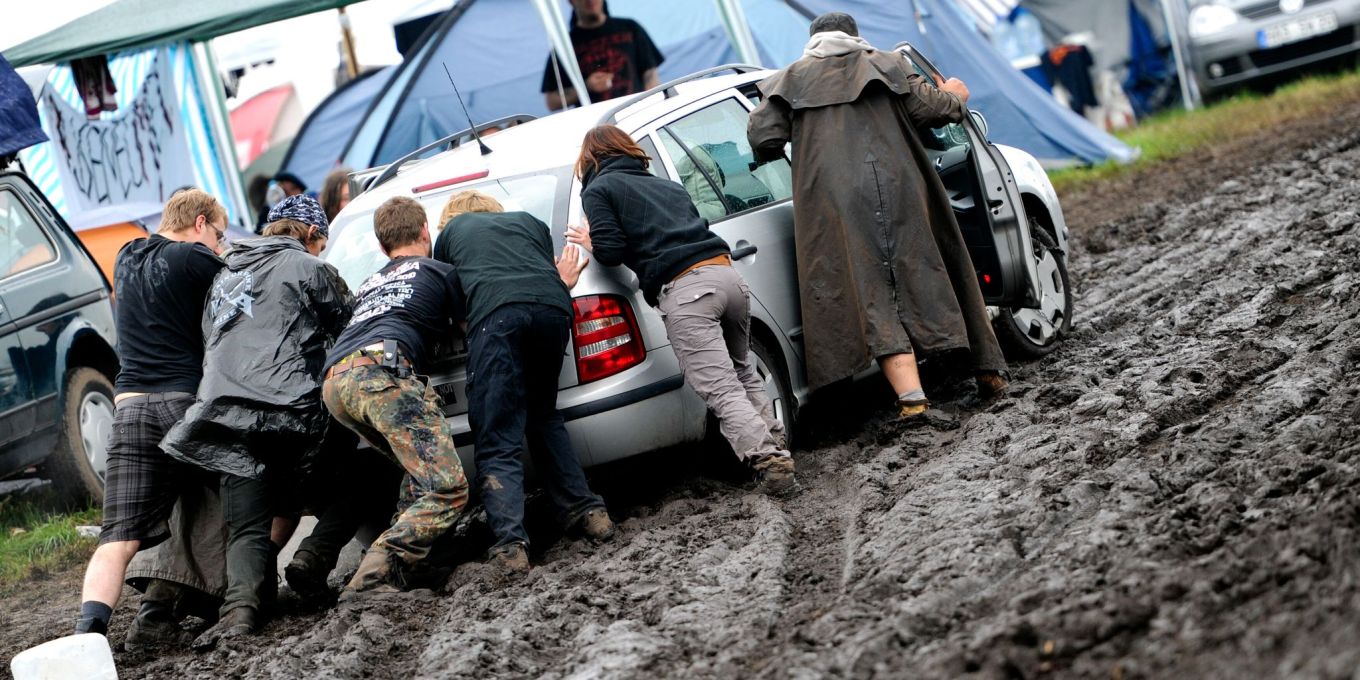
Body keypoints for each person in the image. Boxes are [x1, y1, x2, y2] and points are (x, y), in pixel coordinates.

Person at [746, 12, 1009, 418]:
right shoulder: (887, 63)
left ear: (811, 43)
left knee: (871, 294)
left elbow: (764, 137)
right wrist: (956, 93)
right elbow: (935, 109)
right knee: (940, 272)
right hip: (903, 190)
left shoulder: (789, 80)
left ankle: (912, 401)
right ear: (856, 37)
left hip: (835, 207)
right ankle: (987, 370)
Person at [160, 195, 352, 647]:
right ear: (310, 234)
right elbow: (348, 327)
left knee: (246, 523)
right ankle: (312, 556)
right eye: (320, 241)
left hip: (223, 413)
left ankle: (240, 613)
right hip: (293, 413)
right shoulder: (312, 269)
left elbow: (213, 338)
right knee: (352, 486)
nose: (320, 249)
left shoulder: (225, 273)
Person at [566, 125, 797, 497]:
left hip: (688, 293)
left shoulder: (599, 190)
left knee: (721, 386)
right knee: (742, 369)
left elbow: (609, 252)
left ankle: (769, 462)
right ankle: (777, 445)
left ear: (589, 160)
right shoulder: (667, 186)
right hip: (727, 275)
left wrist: (593, 241)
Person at [72, 188, 227, 637]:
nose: (218, 245)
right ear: (199, 224)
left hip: (129, 410)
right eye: (217, 235)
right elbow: (243, 278)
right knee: (243, 497)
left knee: (116, 540)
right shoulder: (192, 259)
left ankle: (89, 634)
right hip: (180, 407)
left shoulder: (125, 255)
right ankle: (236, 601)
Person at [433, 190, 611, 574]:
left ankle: (511, 545)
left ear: (450, 219)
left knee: (497, 435)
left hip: (497, 318)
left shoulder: (451, 235)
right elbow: (541, 270)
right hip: (553, 309)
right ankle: (588, 511)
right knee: (543, 414)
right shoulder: (529, 221)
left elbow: (453, 302)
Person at [320, 196, 470, 598]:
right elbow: (470, 325)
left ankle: (410, 569)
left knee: (417, 472)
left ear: (382, 246)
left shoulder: (371, 282)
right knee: (447, 488)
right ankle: (374, 573)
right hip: (382, 375)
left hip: (336, 383)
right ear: (426, 232)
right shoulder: (438, 272)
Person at [541, 0, 664, 111]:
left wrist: (652, 108)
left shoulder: (630, 28)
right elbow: (552, 102)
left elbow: (651, 76)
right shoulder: (564, 47)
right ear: (571, 2)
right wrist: (586, 86)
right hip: (597, 128)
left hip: (637, 114)